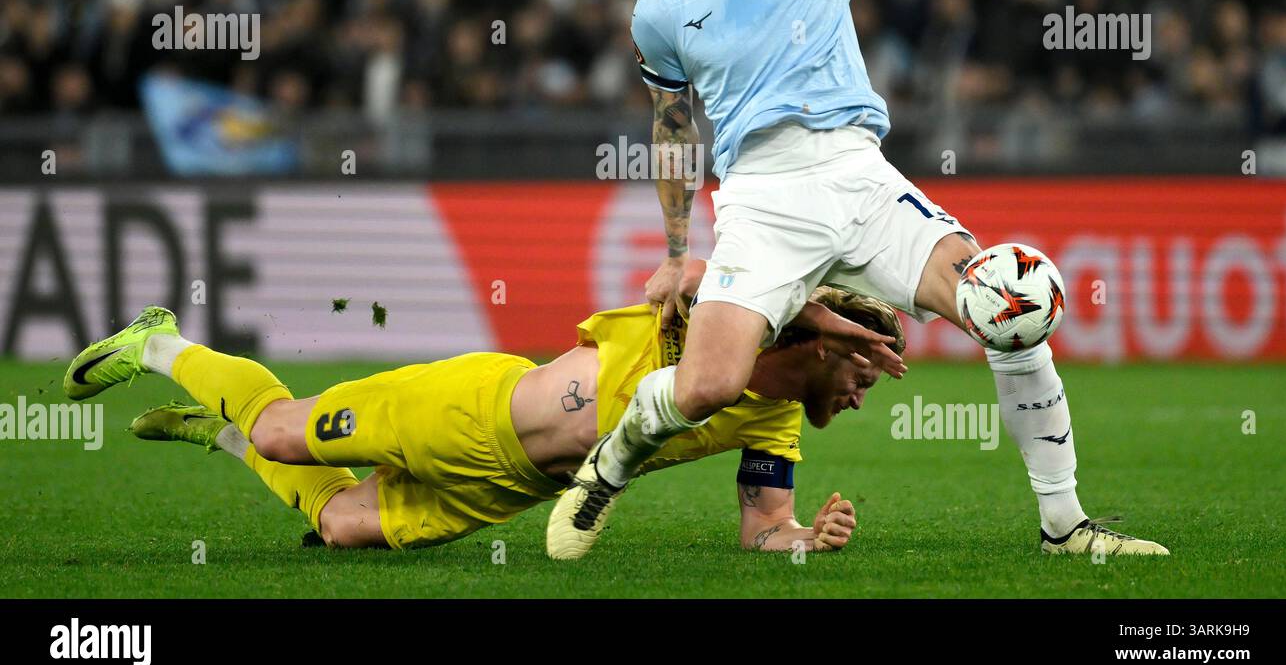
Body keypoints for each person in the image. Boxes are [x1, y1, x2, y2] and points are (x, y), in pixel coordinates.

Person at [546, 0, 1168, 559]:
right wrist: (679, 251)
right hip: (762, 200)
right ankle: (607, 470)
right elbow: (673, 130)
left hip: (858, 174)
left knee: (1006, 306)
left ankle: (1063, 526)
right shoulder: (661, 8)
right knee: (705, 386)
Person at [62, 263, 901, 553]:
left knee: (342, 530)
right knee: (284, 433)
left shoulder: (773, 422)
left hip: (506, 490)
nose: (867, 394)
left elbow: (763, 532)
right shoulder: (717, 328)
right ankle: (161, 344)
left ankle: (219, 434)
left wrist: (802, 543)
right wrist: (812, 305)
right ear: (831, 341)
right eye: (869, 368)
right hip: (467, 410)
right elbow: (679, 278)